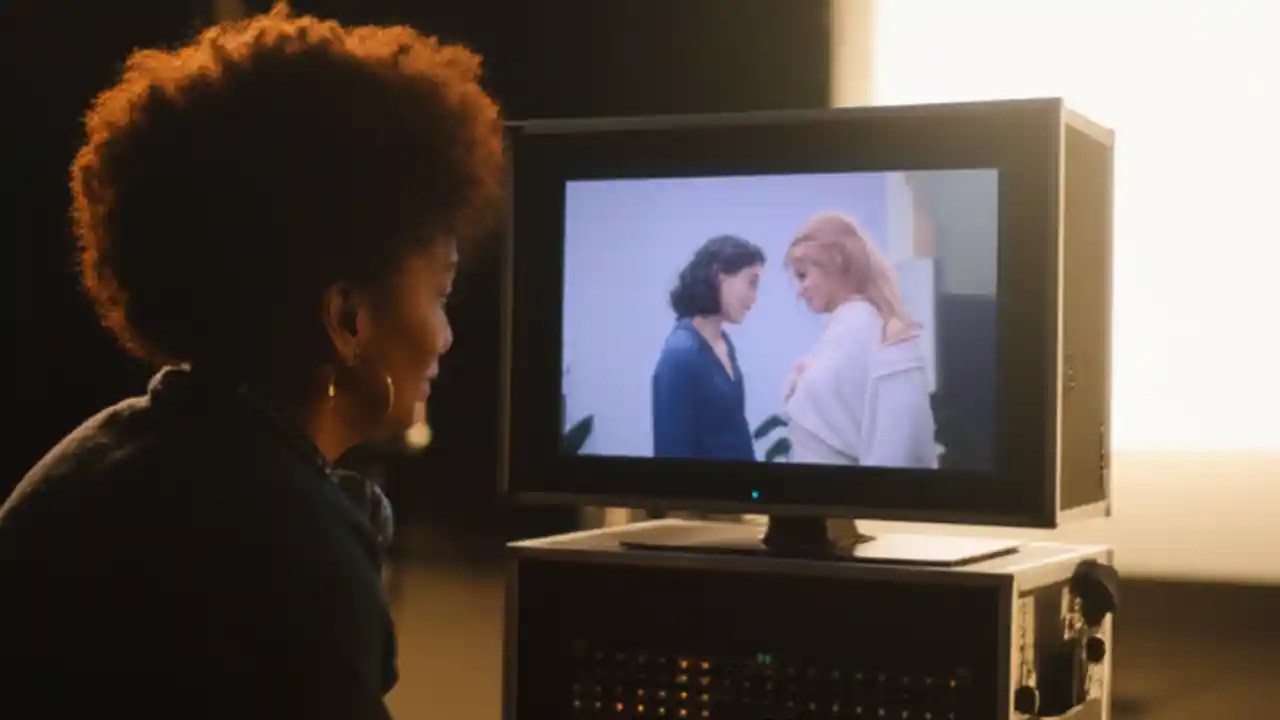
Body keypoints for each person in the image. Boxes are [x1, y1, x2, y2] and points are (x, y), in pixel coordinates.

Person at [0, 5, 504, 718]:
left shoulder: (101, 461)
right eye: (441, 293)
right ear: (347, 318)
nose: (446, 336)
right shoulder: (285, 548)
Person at [782, 212, 938, 468]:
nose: (799, 291)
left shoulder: (879, 333)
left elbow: (899, 449)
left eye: (802, 275)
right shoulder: (841, 331)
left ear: (837, 261)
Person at [652, 235, 765, 460]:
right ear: (720, 276)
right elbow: (672, 454)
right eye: (751, 283)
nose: (754, 297)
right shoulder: (680, 355)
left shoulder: (724, 343)